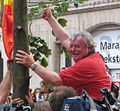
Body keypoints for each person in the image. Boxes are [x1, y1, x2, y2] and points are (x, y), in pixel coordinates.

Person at [15, 5, 111, 100]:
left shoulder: (87, 64)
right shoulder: (95, 56)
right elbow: (64, 38)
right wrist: (50, 19)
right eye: (71, 46)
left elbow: (57, 80)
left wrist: (33, 64)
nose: (72, 49)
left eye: (77, 46)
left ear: (88, 48)